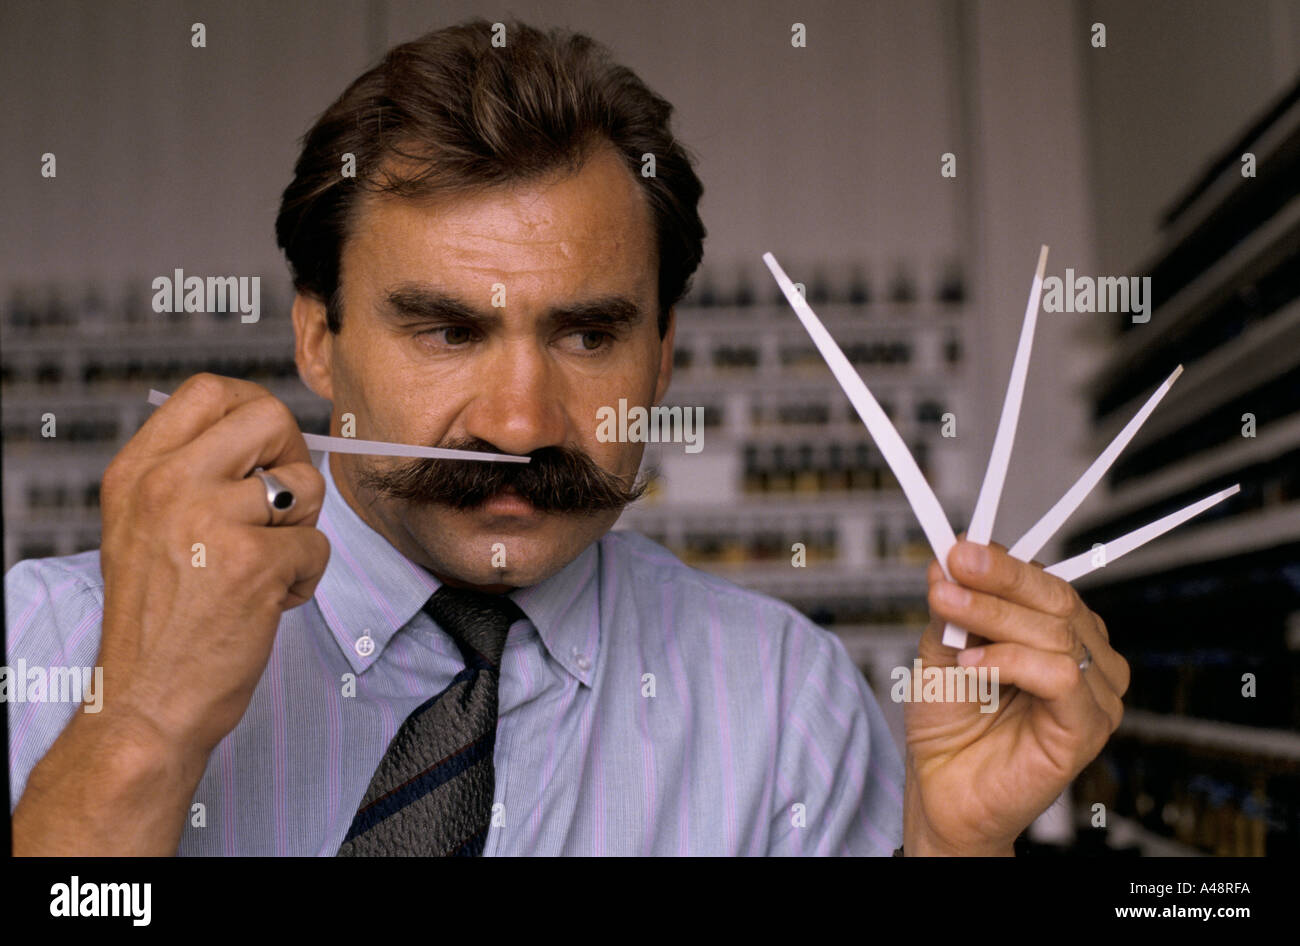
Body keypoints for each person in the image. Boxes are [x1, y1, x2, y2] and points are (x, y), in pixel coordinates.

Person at [7, 18, 1128, 856]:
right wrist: (139, 735)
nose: (520, 422)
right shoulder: (56, 642)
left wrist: (953, 850)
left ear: (663, 353)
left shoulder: (789, 699)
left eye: (589, 334)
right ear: (317, 338)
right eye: (446, 329)